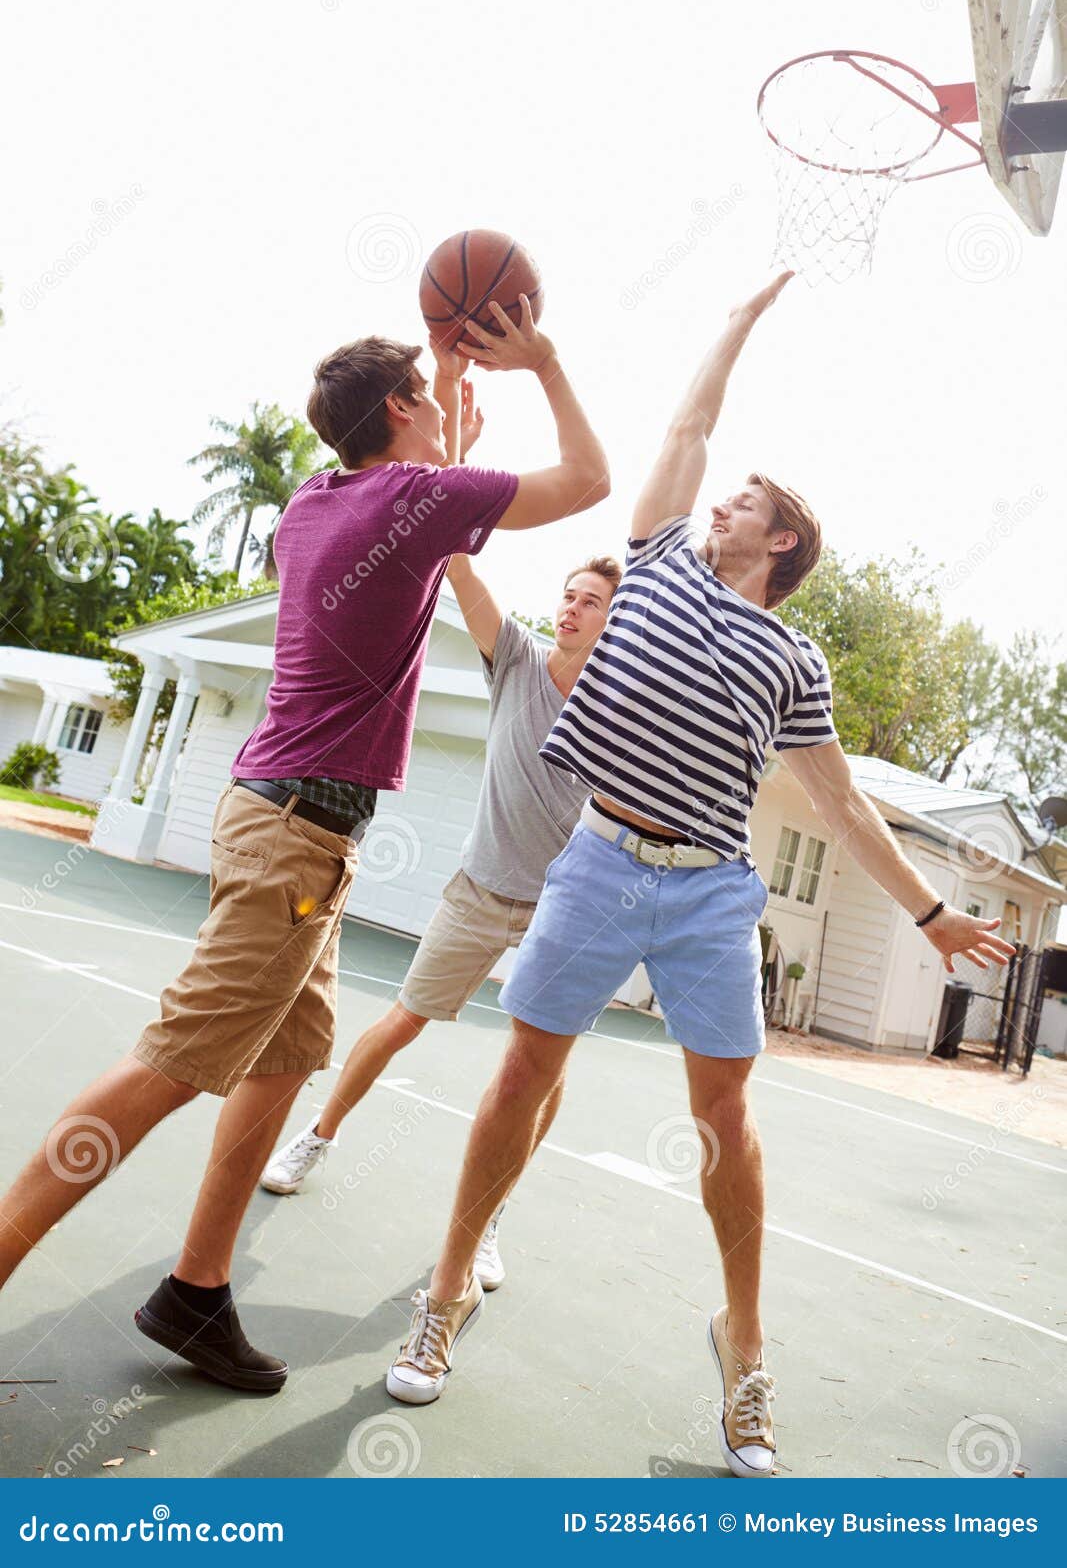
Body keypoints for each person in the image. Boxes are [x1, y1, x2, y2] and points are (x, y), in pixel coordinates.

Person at [383, 273, 1015, 1476]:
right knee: (523, 1069)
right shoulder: (658, 559)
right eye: (722, 492)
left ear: (778, 541)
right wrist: (730, 325)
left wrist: (928, 913)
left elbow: (837, 802)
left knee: (721, 1117)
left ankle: (744, 1341)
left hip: (712, 890)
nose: (716, 498)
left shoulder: (796, 657)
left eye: (745, 501)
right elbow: (685, 430)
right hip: (598, 859)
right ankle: (448, 1286)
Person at [0, 298, 610, 1395]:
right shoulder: (417, 498)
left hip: (290, 831)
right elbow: (587, 482)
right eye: (424, 400)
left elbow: (421, 498)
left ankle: (194, 1290)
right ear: (398, 411)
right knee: (173, 1062)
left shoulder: (312, 499)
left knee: (289, 1052)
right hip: (297, 840)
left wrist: (442, 402)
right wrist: (546, 364)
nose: (439, 414)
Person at [260, 541, 621, 1301]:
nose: (571, 607)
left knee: (540, 1068)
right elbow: (458, 568)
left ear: (614, 620)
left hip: (565, 908)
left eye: (590, 600)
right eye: (567, 593)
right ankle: (317, 1136)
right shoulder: (519, 660)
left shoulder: (623, 693)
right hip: (481, 887)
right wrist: (452, 489)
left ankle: (489, 1220)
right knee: (401, 1021)